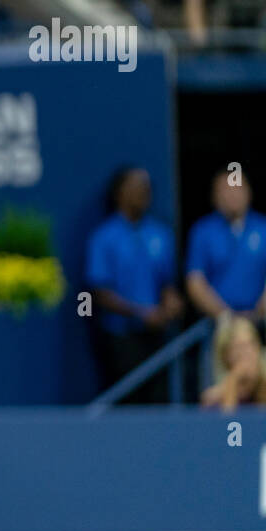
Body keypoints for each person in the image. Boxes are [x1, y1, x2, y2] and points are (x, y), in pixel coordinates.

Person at [86, 166, 184, 400]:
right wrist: (141, 313)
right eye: (137, 187)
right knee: (127, 401)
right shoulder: (104, 236)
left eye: (147, 187)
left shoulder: (161, 234)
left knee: (159, 400)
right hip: (121, 339)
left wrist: (171, 301)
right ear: (119, 193)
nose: (144, 192)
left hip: (157, 336)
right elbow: (97, 292)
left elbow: (167, 282)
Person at [186, 168, 266, 326]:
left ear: (248, 192)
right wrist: (225, 316)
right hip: (216, 323)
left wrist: (259, 312)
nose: (232, 195)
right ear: (214, 196)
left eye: (237, 188)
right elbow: (195, 281)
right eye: (225, 190)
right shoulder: (202, 230)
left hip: (261, 322)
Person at [199, 315, 266, 409]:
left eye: (250, 345)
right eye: (238, 348)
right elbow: (226, 422)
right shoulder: (214, 398)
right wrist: (233, 382)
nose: (247, 354)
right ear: (225, 356)